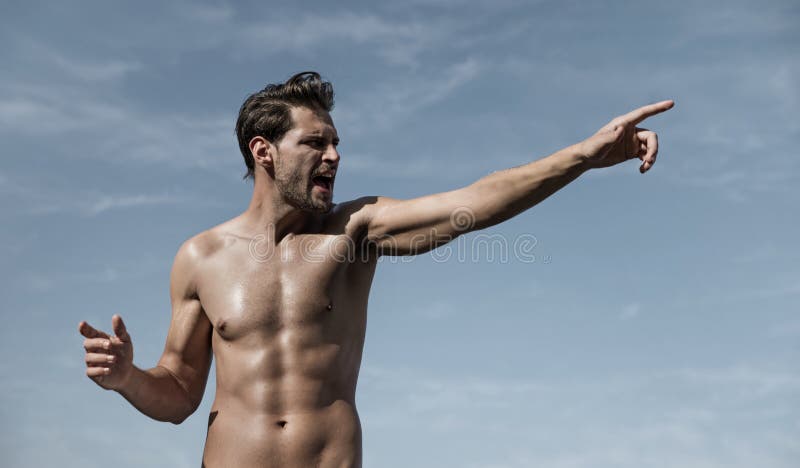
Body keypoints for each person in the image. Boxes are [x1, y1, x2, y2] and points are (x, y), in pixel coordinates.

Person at [78, 71, 673, 467]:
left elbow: (480, 199)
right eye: (316, 142)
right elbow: (180, 394)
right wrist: (129, 377)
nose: (335, 155)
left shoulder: (355, 231)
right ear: (264, 152)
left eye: (336, 143)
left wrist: (582, 155)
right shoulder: (200, 258)